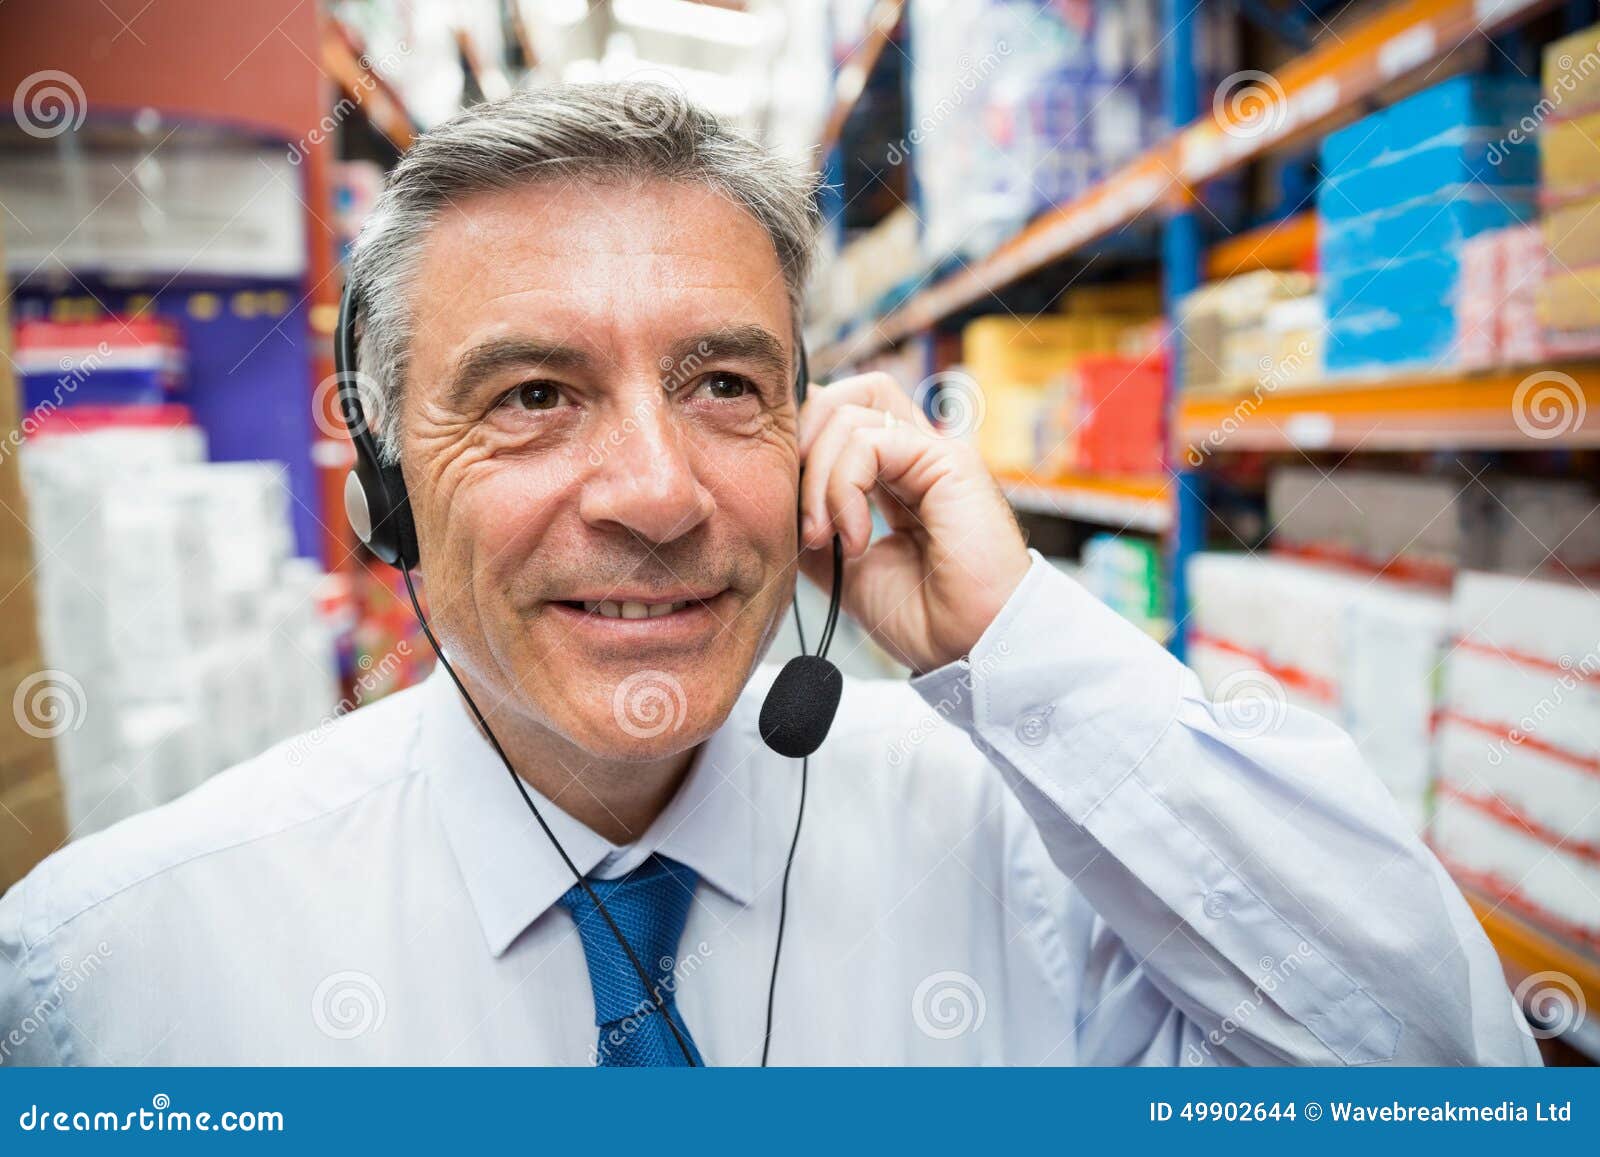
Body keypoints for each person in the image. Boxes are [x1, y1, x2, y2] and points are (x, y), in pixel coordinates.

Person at [0, 84, 1538, 1066]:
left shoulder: (1039, 859)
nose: (660, 492)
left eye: (726, 384)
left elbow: (1448, 1074)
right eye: (532, 395)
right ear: (388, 482)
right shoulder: (117, 976)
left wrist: (1018, 646)